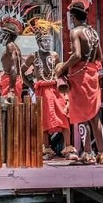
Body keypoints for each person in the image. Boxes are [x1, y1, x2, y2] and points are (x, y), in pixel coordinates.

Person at [54, 0, 103, 165]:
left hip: (79, 76)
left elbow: (77, 54)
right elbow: (100, 56)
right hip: (92, 74)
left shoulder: (76, 32)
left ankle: (86, 152)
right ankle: (102, 153)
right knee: (94, 117)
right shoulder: (93, 33)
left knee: (81, 116)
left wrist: (62, 67)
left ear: (73, 16)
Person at [22, 16, 73, 160]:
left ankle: (68, 148)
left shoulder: (55, 55)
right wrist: (31, 85)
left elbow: (60, 71)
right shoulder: (33, 56)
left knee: (63, 117)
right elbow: (21, 72)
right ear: (38, 42)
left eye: (49, 40)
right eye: (44, 40)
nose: (47, 43)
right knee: (43, 121)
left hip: (56, 90)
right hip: (41, 91)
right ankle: (47, 149)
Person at [0, 0, 36, 103]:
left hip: (10, 83)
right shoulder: (12, 47)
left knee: (9, 112)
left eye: (2, 33)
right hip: (11, 81)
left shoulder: (10, 47)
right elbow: (20, 72)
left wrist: (12, 90)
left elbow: (14, 68)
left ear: (7, 35)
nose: (0, 36)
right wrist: (31, 85)